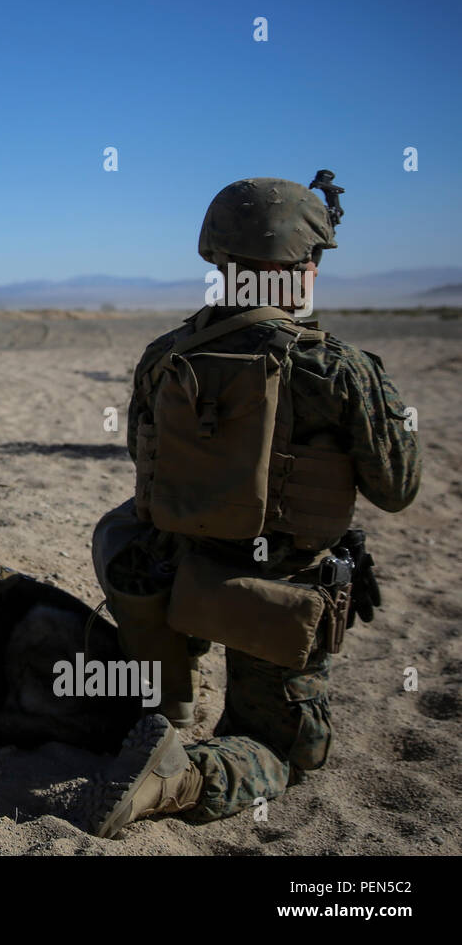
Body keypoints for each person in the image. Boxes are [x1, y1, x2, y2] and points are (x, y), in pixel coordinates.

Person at [84, 177, 421, 838]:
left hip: (172, 577)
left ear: (220, 260)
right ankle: (173, 777)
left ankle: (167, 706)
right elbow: (397, 488)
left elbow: (144, 462)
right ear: (307, 267)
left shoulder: (164, 356)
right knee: (284, 752)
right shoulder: (340, 369)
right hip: (276, 598)